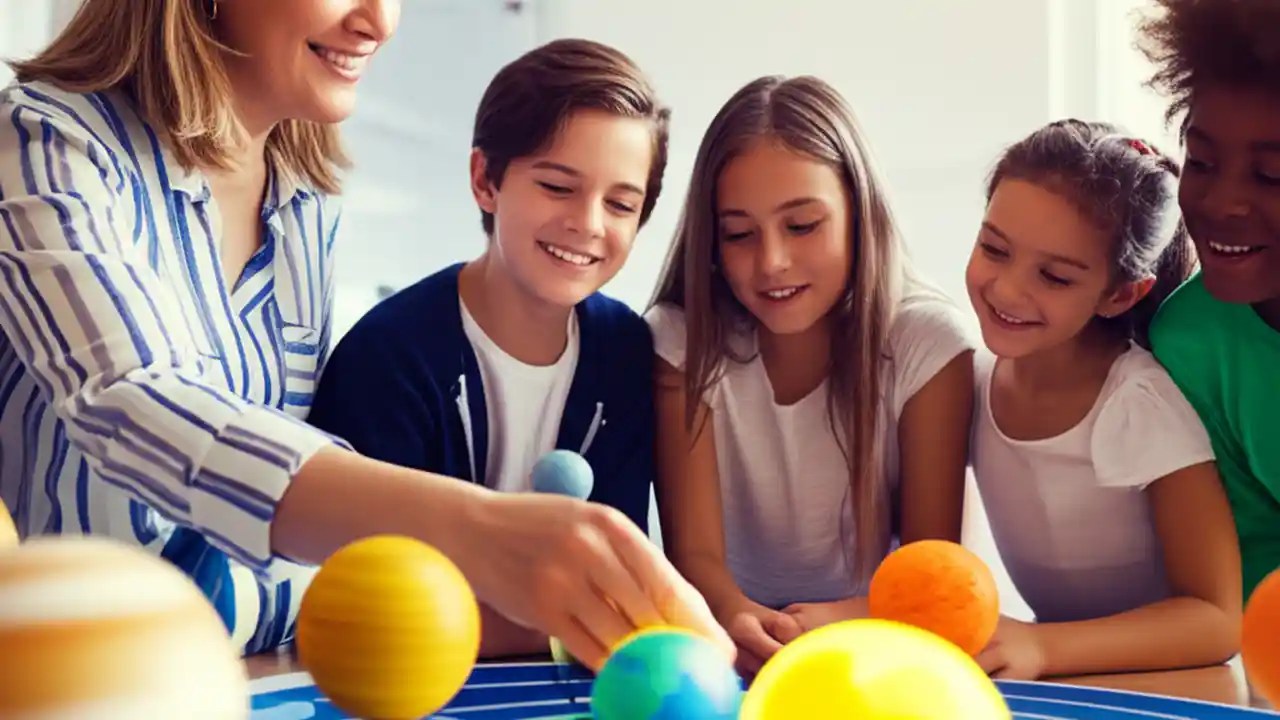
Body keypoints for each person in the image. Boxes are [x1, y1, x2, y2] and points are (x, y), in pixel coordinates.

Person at [0, 0, 729, 670]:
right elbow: (131, 400)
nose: (380, 21)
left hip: (251, 674)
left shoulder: (304, 200)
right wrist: (479, 536)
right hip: (74, 678)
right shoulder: (42, 142)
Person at [307, 38, 662, 659]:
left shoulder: (626, 352)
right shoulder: (389, 357)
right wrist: (566, 622)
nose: (589, 223)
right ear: (485, 180)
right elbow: (367, 604)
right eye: (557, 186)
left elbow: (615, 580)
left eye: (621, 204)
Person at [647, 75, 975, 674]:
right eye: (740, 234)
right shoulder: (679, 339)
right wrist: (737, 614)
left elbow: (933, 572)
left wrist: (849, 617)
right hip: (727, 646)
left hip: (880, 648)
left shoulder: (928, 344)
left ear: (859, 212)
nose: (771, 261)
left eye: (802, 226)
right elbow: (694, 555)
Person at [967, 119, 1240, 680]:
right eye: (994, 248)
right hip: (1062, 682)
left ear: (1120, 294)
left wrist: (1042, 648)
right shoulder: (971, 379)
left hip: (1168, 687)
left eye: (1055, 277)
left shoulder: (1138, 403)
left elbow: (1216, 619)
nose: (1008, 289)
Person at [1141, 0, 1280, 607]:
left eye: (1272, 176)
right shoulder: (1192, 339)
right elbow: (1259, 583)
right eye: (1201, 162)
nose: (1223, 202)